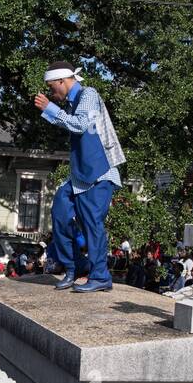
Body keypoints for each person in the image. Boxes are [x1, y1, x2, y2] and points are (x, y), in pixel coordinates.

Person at [37, 61, 125, 294]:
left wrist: (50, 109)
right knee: (60, 213)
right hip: (81, 175)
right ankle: (76, 266)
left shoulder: (88, 94)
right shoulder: (73, 102)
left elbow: (81, 125)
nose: (51, 92)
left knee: (92, 223)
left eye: (51, 87)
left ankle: (100, 276)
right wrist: (53, 110)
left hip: (100, 172)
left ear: (62, 81)